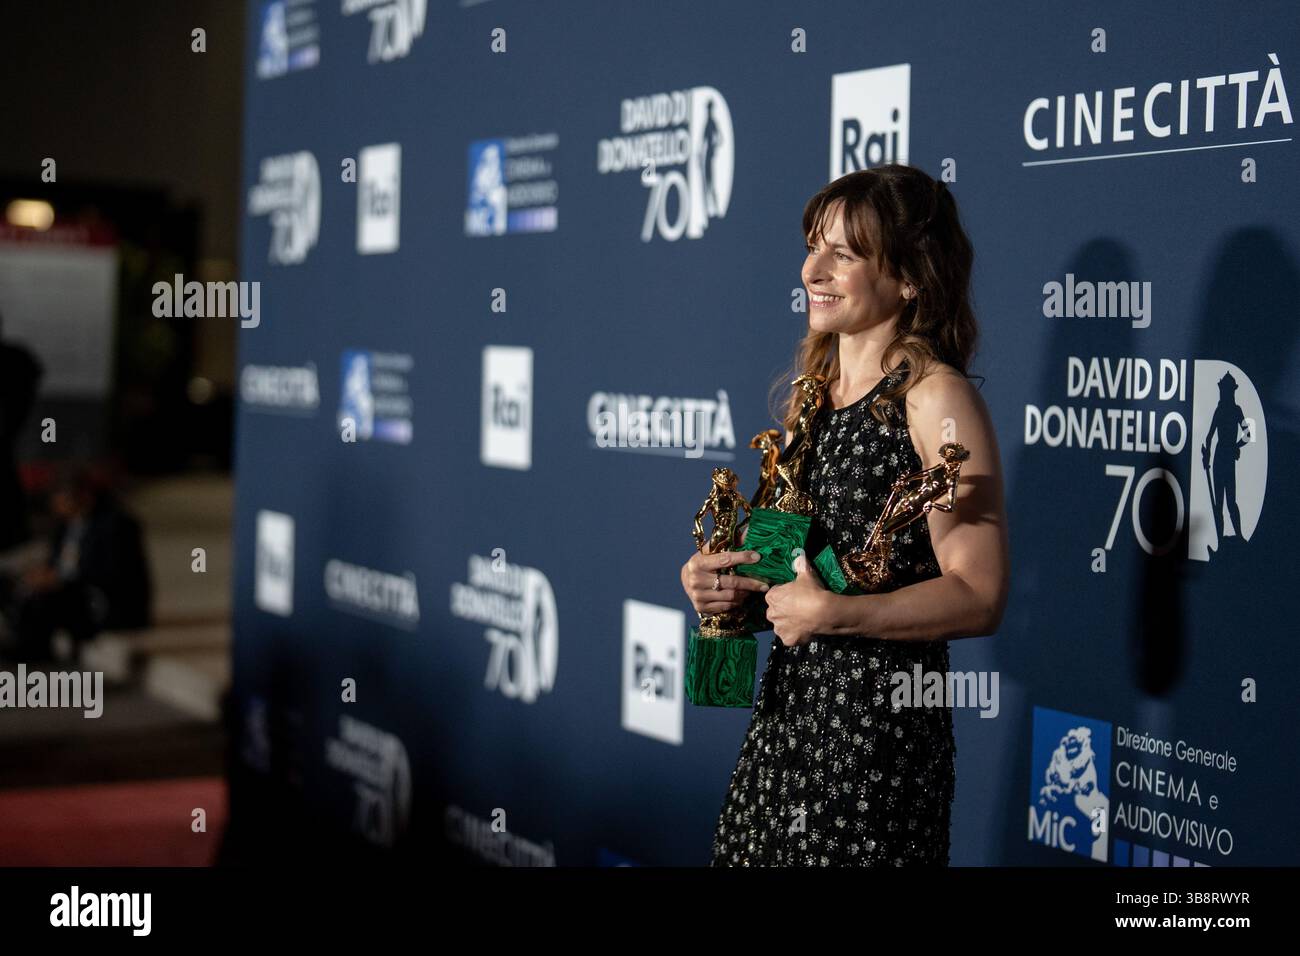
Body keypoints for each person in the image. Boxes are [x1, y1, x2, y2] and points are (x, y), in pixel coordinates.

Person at [680, 164, 1010, 866]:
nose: (812, 269)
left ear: (911, 278)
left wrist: (836, 615)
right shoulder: (810, 398)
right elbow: (782, 583)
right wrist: (720, 599)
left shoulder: (935, 398)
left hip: (877, 750)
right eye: (813, 245)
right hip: (782, 736)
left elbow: (980, 593)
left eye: (845, 253)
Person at [0, 465, 152, 662]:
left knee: (48, 597)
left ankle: (33, 649)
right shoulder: (67, 525)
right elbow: (56, 563)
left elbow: (113, 574)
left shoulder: (115, 525)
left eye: (60, 499)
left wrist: (61, 580)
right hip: (70, 590)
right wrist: (43, 575)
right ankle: (23, 641)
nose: (56, 506)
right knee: (13, 585)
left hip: (100, 597)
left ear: (81, 496)